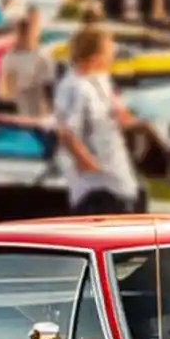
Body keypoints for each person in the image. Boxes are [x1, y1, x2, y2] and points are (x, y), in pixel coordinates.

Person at [54, 26, 141, 215]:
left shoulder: (101, 81)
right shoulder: (74, 88)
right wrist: (93, 168)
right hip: (97, 190)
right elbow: (67, 134)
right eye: (108, 52)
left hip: (119, 182)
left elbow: (117, 117)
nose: (112, 57)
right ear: (94, 56)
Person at [0, 16, 54, 118]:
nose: (23, 37)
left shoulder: (41, 57)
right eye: (21, 33)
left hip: (36, 111)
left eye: (26, 33)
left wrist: (50, 110)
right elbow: (5, 89)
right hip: (16, 111)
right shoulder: (8, 58)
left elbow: (48, 87)